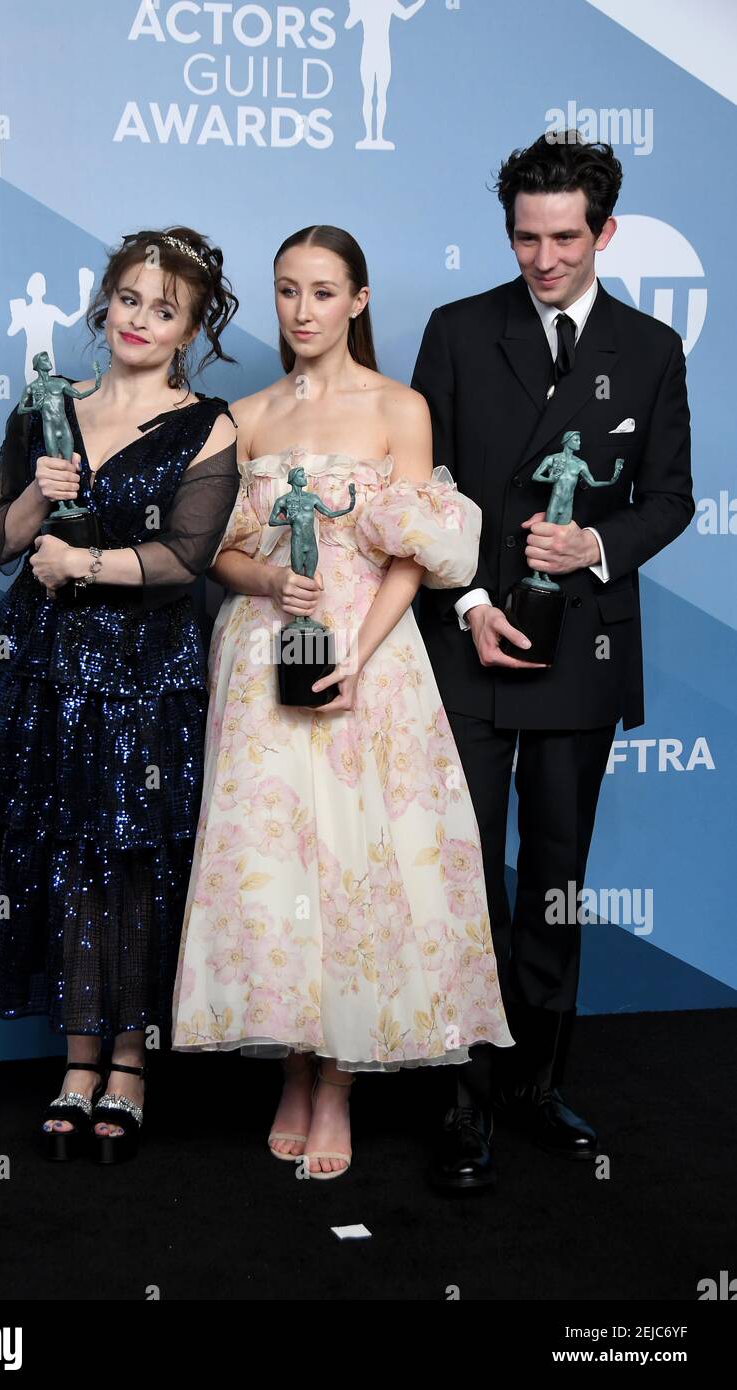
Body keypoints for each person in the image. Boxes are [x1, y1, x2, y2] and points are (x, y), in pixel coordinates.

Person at [171, 225, 513, 1181]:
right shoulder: (244, 416)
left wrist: (357, 654)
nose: (303, 310)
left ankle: (338, 1083)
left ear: (358, 300)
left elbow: (415, 552)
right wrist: (271, 588)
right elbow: (222, 552)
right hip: (265, 651)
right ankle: (290, 1061)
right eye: (287, 291)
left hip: (374, 657)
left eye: (323, 292)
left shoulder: (400, 408)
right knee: (276, 856)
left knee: (359, 857)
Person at [411, 132, 694, 1192]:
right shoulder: (454, 330)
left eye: (563, 238)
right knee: (464, 874)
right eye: (524, 237)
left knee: (556, 883)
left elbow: (670, 495)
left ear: (603, 231)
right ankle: (462, 1095)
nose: (542, 259)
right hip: (470, 639)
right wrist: (473, 598)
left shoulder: (650, 345)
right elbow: (423, 486)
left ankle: (538, 1083)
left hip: (585, 643)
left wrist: (595, 545)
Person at [0, 227, 241, 1163]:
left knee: (131, 864)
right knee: (57, 853)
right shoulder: (48, 407)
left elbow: (187, 560)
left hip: (143, 676)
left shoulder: (209, 423)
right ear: (104, 302)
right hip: (48, 671)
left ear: (191, 330)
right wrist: (40, 498)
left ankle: (130, 1063)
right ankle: (76, 1063)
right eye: (129, 299)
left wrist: (86, 561)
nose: (140, 320)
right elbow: (0, 539)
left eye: (165, 310)